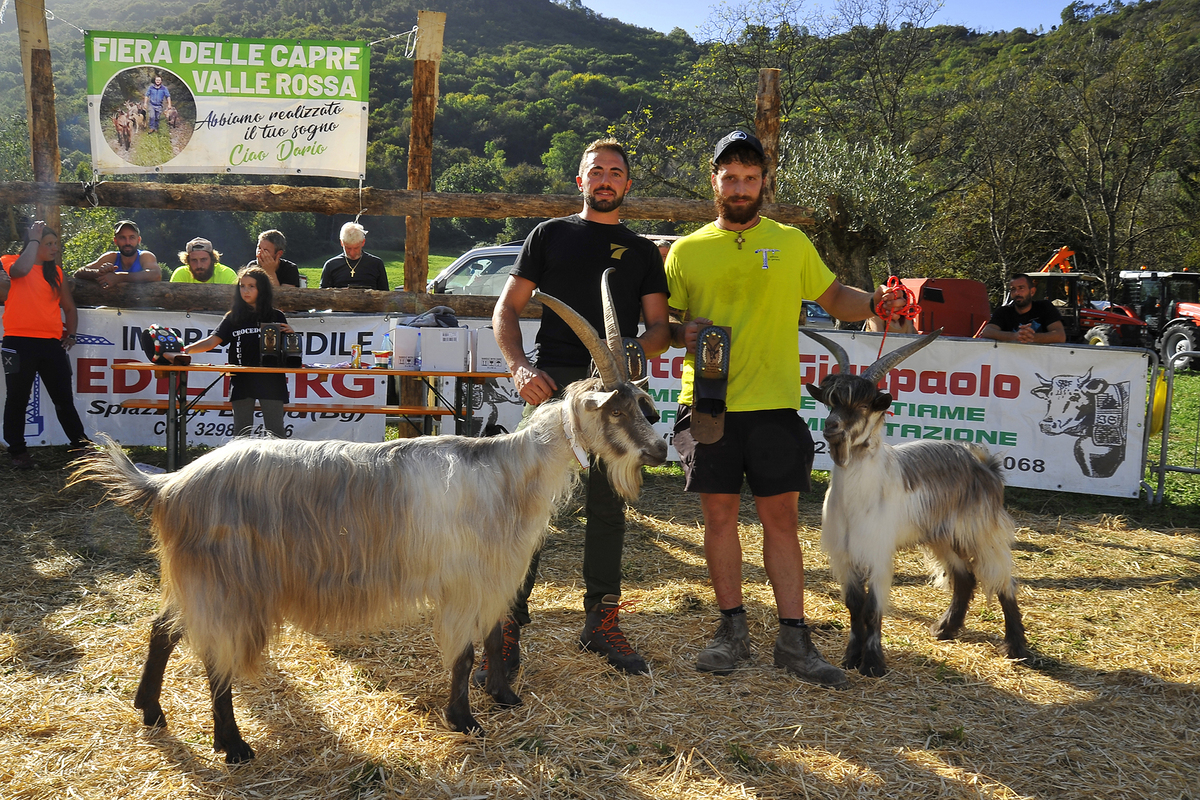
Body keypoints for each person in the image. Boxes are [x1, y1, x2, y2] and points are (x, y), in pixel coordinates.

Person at [665, 130, 902, 688]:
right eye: (730, 177)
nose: (740, 187)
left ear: (763, 182)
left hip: (775, 405)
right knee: (719, 519)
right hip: (708, 406)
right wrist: (680, 331)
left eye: (750, 178)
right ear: (715, 180)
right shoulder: (686, 251)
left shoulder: (792, 243)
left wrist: (873, 302)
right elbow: (663, 332)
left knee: (783, 521)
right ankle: (731, 632)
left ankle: (793, 639)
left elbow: (833, 298)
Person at [487, 137, 671, 679]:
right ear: (581, 181)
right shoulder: (549, 235)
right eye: (597, 171)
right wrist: (521, 368)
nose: (606, 179)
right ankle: (507, 623)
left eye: (616, 171)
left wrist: (641, 349)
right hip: (555, 390)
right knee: (526, 507)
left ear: (627, 183)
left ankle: (601, 622)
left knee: (609, 507)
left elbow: (659, 328)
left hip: (615, 394)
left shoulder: (640, 252)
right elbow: (508, 308)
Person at [2, 220, 90, 469]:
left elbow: (69, 308)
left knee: (63, 398)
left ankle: (81, 446)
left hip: (51, 344)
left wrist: (71, 335)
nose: (54, 248)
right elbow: (19, 272)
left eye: (55, 244)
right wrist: (32, 239)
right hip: (18, 342)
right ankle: (18, 452)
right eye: (48, 244)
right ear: (33, 245)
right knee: (18, 399)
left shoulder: (57, 273)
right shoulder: (10, 260)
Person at [183, 266, 293, 438]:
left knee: (276, 433)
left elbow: (289, 351)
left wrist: (291, 335)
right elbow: (212, 341)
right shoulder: (233, 316)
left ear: (262, 289)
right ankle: (240, 466)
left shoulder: (276, 316)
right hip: (241, 379)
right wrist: (186, 349)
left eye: (251, 286)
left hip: (271, 379)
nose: (246, 291)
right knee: (241, 434)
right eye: (242, 286)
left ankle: (279, 466)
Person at [979, 273, 1066, 344]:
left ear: (1032, 291)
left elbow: (1060, 336)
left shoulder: (1045, 307)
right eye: (1013, 289)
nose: (1017, 293)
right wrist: (1015, 336)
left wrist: (1031, 337)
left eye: (1021, 288)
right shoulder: (1003, 312)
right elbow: (987, 332)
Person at [74, 220, 162, 289]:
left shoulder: (145, 256)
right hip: (112, 310)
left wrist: (119, 277)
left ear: (138, 240)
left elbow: (156, 275)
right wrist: (99, 272)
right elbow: (78, 273)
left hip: (142, 309)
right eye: (122, 238)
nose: (127, 242)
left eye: (132, 237)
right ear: (115, 241)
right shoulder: (111, 257)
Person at [320, 222, 388, 290]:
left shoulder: (376, 264)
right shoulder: (330, 265)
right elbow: (322, 295)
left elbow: (385, 295)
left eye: (356, 248)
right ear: (341, 243)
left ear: (363, 242)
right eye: (348, 248)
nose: (352, 253)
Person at [170, 238, 238, 284]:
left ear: (212, 259)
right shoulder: (180, 274)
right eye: (194, 260)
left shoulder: (227, 275)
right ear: (188, 261)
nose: (199, 265)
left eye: (203, 260)